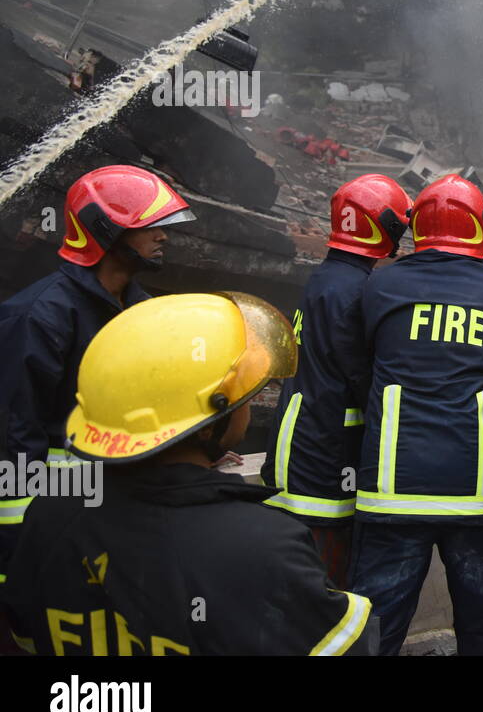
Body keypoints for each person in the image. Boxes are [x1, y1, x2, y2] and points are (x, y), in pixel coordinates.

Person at [0, 292, 377, 655]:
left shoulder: (48, 517)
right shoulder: (263, 544)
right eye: (242, 397)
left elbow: (27, 635)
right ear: (209, 423)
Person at [350, 174, 483, 655]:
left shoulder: (380, 286)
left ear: (417, 227)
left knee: (372, 629)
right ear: (480, 228)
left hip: (392, 491)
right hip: (478, 494)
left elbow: (364, 358)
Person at [0, 165, 194, 582]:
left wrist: (195, 450)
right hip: (51, 521)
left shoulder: (140, 311)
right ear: (105, 231)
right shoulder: (39, 316)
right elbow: (15, 435)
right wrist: (18, 550)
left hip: (118, 512)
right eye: (150, 226)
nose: (164, 236)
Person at [261, 174, 412, 585]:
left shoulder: (326, 278)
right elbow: (366, 379)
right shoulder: (358, 291)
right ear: (383, 226)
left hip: (300, 442)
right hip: (325, 457)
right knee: (324, 579)